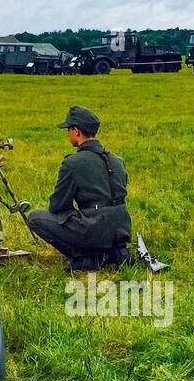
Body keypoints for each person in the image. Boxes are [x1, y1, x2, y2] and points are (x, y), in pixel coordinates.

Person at [26, 105, 131, 271]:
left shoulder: (72, 163)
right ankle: (113, 254)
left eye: (68, 129)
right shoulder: (117, 160)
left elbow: (58, 206)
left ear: (76, 131)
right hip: (120, 232)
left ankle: (85, 257)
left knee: (35, 218)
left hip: (94, 229)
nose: (67, 134)